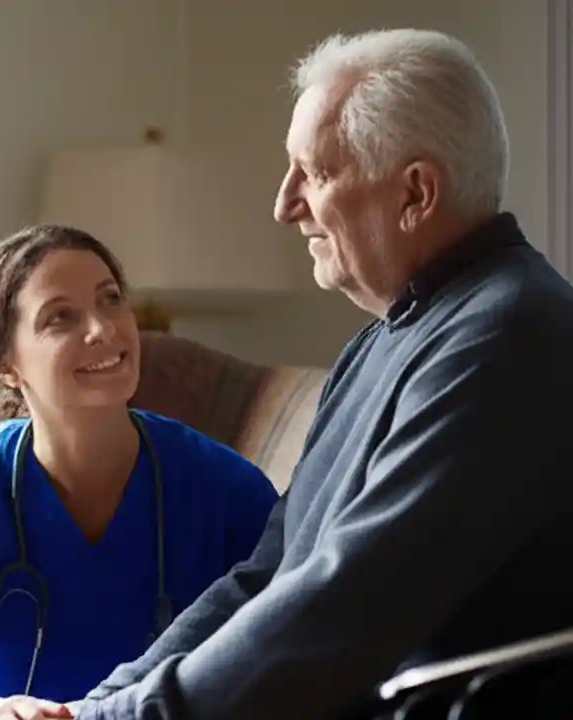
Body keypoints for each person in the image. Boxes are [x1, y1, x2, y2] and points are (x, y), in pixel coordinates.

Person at [67, 28, 573, 720]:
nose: (285, 203)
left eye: (315, 171)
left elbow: (346, 606)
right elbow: (268, 577)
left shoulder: (508, 335)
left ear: (416, 194)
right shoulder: (381, 341)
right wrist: (98, 706)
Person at [0, 225, 279, 719]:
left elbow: (282, 667)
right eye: (60, 317)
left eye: (111, 300)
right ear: (5, 363)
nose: (103, 329)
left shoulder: (226, 491)